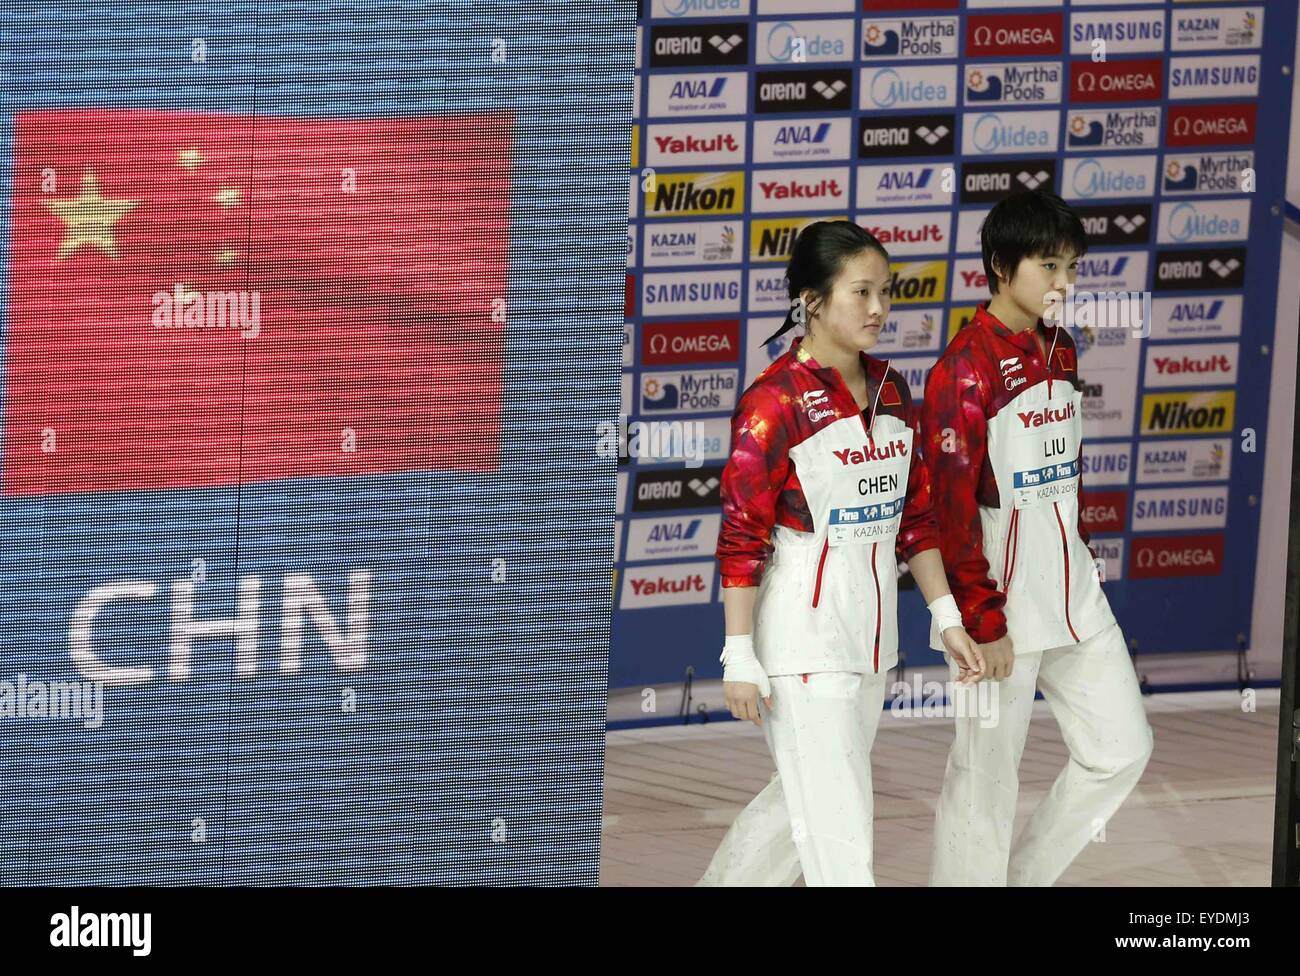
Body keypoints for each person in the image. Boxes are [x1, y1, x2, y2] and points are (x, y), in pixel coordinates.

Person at [697, 220, 984, 887]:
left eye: (886, 291)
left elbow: (915, 519)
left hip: (871, 642)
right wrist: (738, 654)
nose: (879, 308)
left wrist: (947, 619)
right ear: (814, 301)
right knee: (842, 831)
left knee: (799, 813)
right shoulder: (774, 403)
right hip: (801, 642)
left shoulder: (892, 392)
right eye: (862, 292)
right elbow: (742, 536)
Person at [921, 189, 1154, 886]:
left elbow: (1066, 477)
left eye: (1071, 268)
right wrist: (982, 619)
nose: (1063, 284)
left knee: (1121, 748)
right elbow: (950, 511)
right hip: (999, 608)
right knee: (984, 781)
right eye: (1049, 266)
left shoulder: (1062, 347)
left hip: (1075, 595)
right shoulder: (963, 367)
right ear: (999, 264)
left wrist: (1079, 559)